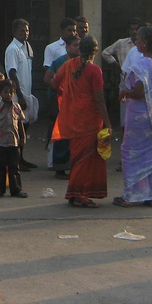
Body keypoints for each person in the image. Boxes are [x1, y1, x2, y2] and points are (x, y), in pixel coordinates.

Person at [51, 35, 112, 208]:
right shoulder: (94, 71)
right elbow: (100, 100)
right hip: (89, 121)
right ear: (96, 51)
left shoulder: (68, 65)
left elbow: (54, 82)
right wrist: (108, 122)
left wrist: (67, 95)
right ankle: (79, 195)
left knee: (78, 159)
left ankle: (78, 193)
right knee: (86, 160)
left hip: (73, 118)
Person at [114, 26, 152, 207]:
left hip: (139, 116)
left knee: (131, 154)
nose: (136, 42)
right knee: (151, 157)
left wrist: (125, 92)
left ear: (144, 44)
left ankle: (130, 196)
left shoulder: (142, 65)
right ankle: (151, 196)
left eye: (137, 40)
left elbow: (139, 93)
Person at [44, 34, 79, 179]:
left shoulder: (80, 62)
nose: (78, 48)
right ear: (67, 47)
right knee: (62, 136)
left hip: (77, 105)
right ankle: (60, 168)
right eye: (75, 45)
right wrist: (61, 90)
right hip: (62, 103)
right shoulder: (60, 61)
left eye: (79, 46)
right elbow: (47, 78)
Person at [3, 18, 37, 168]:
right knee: (17, 128)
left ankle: (20, 158)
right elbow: (12, 73)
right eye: (22, 31)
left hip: (27, 92)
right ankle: (15, 160)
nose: (25, 33)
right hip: (18, 94)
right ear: (14, 32)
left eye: (27, 30)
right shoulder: (13, 49)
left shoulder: (27, 46)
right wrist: (20, 96)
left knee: (25, 126)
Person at [0, 80, 28, 198]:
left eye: (11, 92)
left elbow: (20, 123)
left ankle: (16, 190)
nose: (9, 95)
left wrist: (23, 137)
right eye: (6, 92)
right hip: (0, 142)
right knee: (0, 168)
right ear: (0, 93)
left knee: (14, 167)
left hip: (14, 142)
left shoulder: (17, 107)